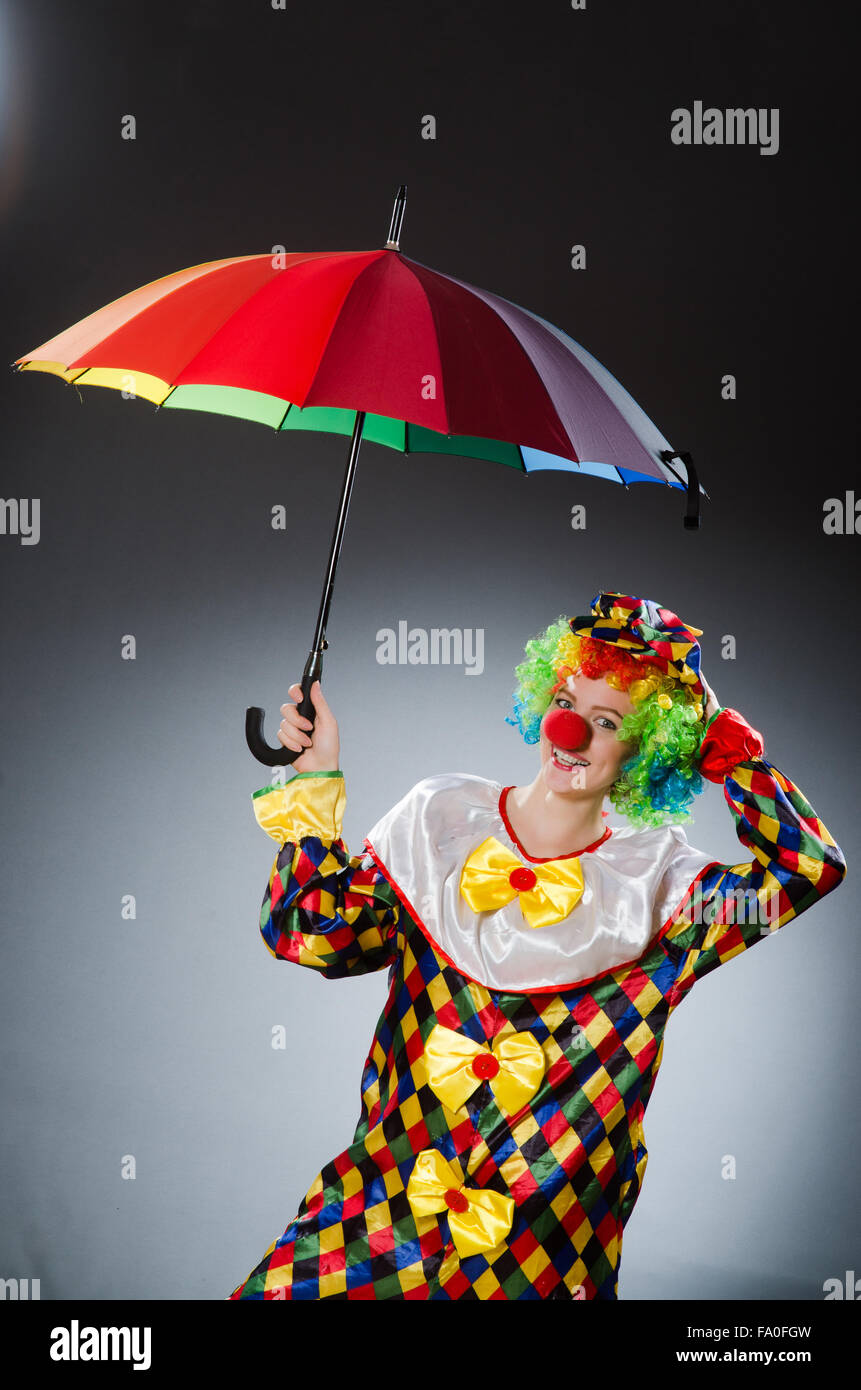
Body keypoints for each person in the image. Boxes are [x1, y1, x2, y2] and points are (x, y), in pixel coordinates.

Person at [228, 591, 846, 1301]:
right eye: (563, 701)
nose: (568, 730)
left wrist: (725, 749)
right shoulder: (439, 820)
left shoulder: (667, 895)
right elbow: (310, 931)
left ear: (648, 749)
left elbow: (807, 868)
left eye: (605, 721)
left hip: (542, 1253)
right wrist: (315, 775)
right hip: (382, 1210)